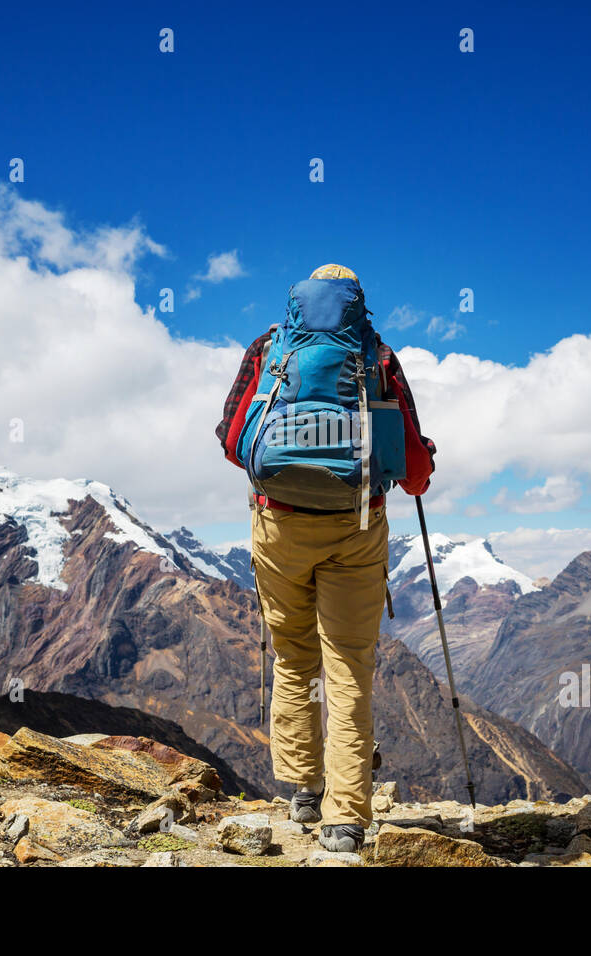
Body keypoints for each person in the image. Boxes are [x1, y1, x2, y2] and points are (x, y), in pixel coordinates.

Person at [215, 263, 436, 852]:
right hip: (356, 526)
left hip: (279, 524)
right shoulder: (378, 356)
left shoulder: (267, 347)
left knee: (292, 655)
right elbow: (413, 468)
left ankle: (302, 791)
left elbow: (233, 437)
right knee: (348, 665)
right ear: (356, 302)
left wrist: (287, 469)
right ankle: (345, 817)